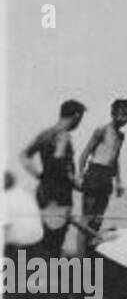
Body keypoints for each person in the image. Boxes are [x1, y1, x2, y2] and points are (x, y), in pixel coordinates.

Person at [19, 99, 86, 255]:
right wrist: (75, 182)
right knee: (55, 241)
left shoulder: (45, 134)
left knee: (46, 237)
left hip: (43, 192)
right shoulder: (63, 136)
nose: (80, 123)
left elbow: (24, 155)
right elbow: (58, 161)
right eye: (80, 119)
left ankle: (38, 272)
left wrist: (38, 175)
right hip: (59, 194)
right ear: (76, 116)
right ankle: (46, 273)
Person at [78, 98, 127, 235]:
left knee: (98, 217)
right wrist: (80, 175)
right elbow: (84, 154)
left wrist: (119, 182)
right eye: (121, 114)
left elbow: (115, 158)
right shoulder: (101, 130)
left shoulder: (121, 136)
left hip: (107, 176)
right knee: (87, 216)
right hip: (94, 173)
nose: (124, 118)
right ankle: (79, 249)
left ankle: (89, 245)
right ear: (113, 114)